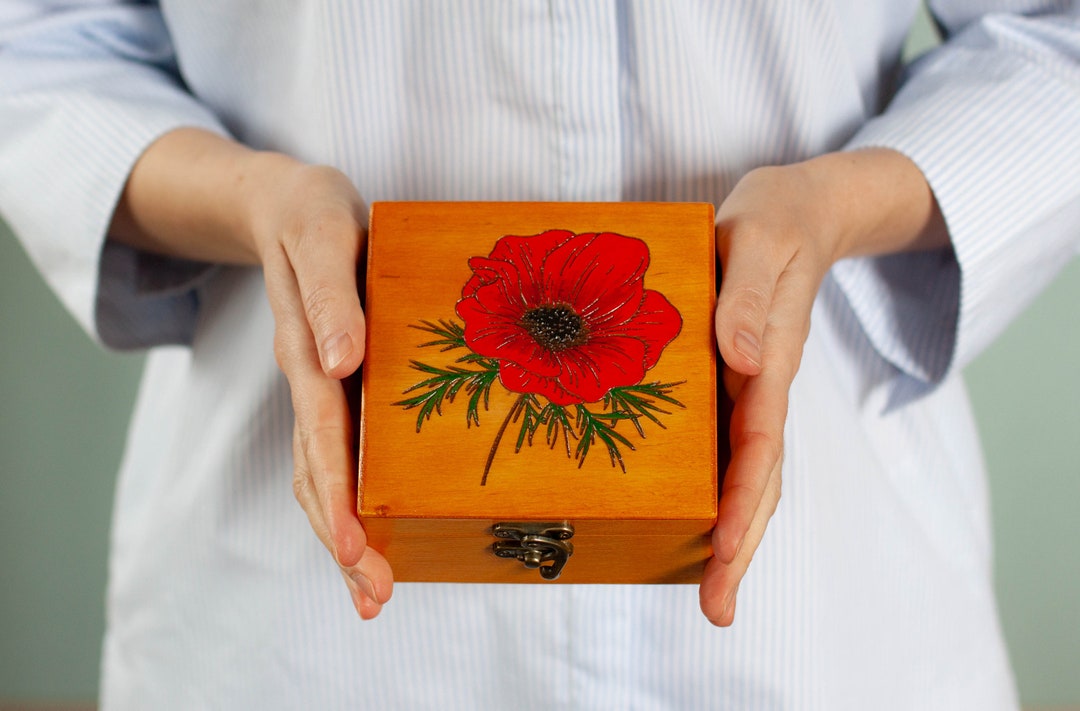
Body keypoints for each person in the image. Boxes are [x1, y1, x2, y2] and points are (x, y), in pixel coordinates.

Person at [2, 2, 1078, 709]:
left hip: (823, 604)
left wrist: (843, 202)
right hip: (292, 618)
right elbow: (40, 48)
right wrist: (250, 200)